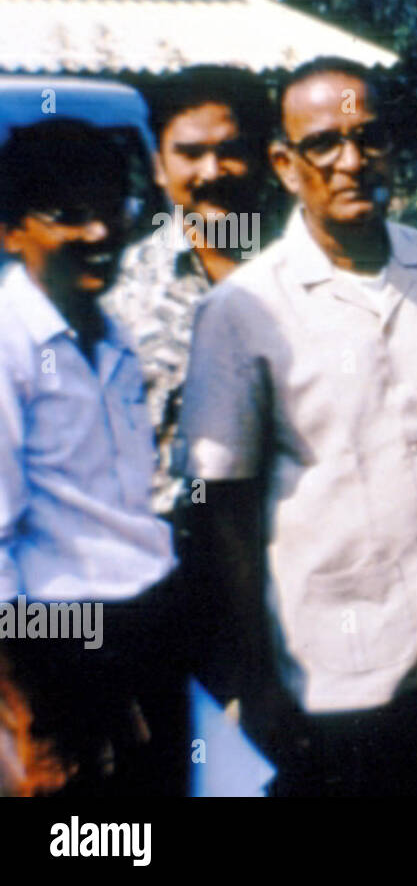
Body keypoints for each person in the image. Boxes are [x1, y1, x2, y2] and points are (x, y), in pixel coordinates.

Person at [176, 58, 417, 796]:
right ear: (284, 165)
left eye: (368, 138)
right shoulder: (243, 310)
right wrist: (260, 682)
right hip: (334, 681)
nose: (351, 161)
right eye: (323, 144)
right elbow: (228, 515)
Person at [0, 120, 186, 795]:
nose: (101, 233)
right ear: (12, 230)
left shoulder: (114, 335)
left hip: (145, 621)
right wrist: (28, 720)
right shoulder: (8, 345)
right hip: (56, 642)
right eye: (68, 216)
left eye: (113, 209)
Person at [103, 65, 273, 519]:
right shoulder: (121, 286)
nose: (212, 172)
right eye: (190, 153)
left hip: (297, 551)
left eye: (230, 152)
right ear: (159, 166)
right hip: (165, 550)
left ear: (265, 158)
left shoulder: (307, 273)